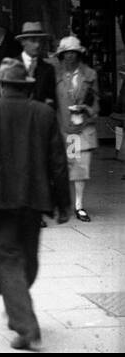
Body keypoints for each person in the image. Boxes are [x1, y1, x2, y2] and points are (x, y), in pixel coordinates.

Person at [0, 58, 71, 350]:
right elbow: (58, 163)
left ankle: (27, 327)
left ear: (1, 86)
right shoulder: (44, 113)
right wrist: (64, 204)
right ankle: (19, 310)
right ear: (25, 87)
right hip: (33, 201)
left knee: (9, 261)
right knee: (28, 259)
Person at [53, 36, 98, 222]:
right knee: (61, 167)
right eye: (66, 53)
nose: (70, 56)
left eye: (74, 52)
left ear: (79, 54)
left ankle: (79, 206)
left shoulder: (89, 75)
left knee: (80, 167)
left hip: (82, 128)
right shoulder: (55, 75)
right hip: (62, 127)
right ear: (61, 55)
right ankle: (62, 204)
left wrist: (86, 110)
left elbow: (96, 102)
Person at [14, 21, 57, 106]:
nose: (37, 45)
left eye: (40, 41)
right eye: (33, 41)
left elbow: (51, 99)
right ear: (23, 42)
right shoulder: (12, 65)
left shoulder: (47, 69)